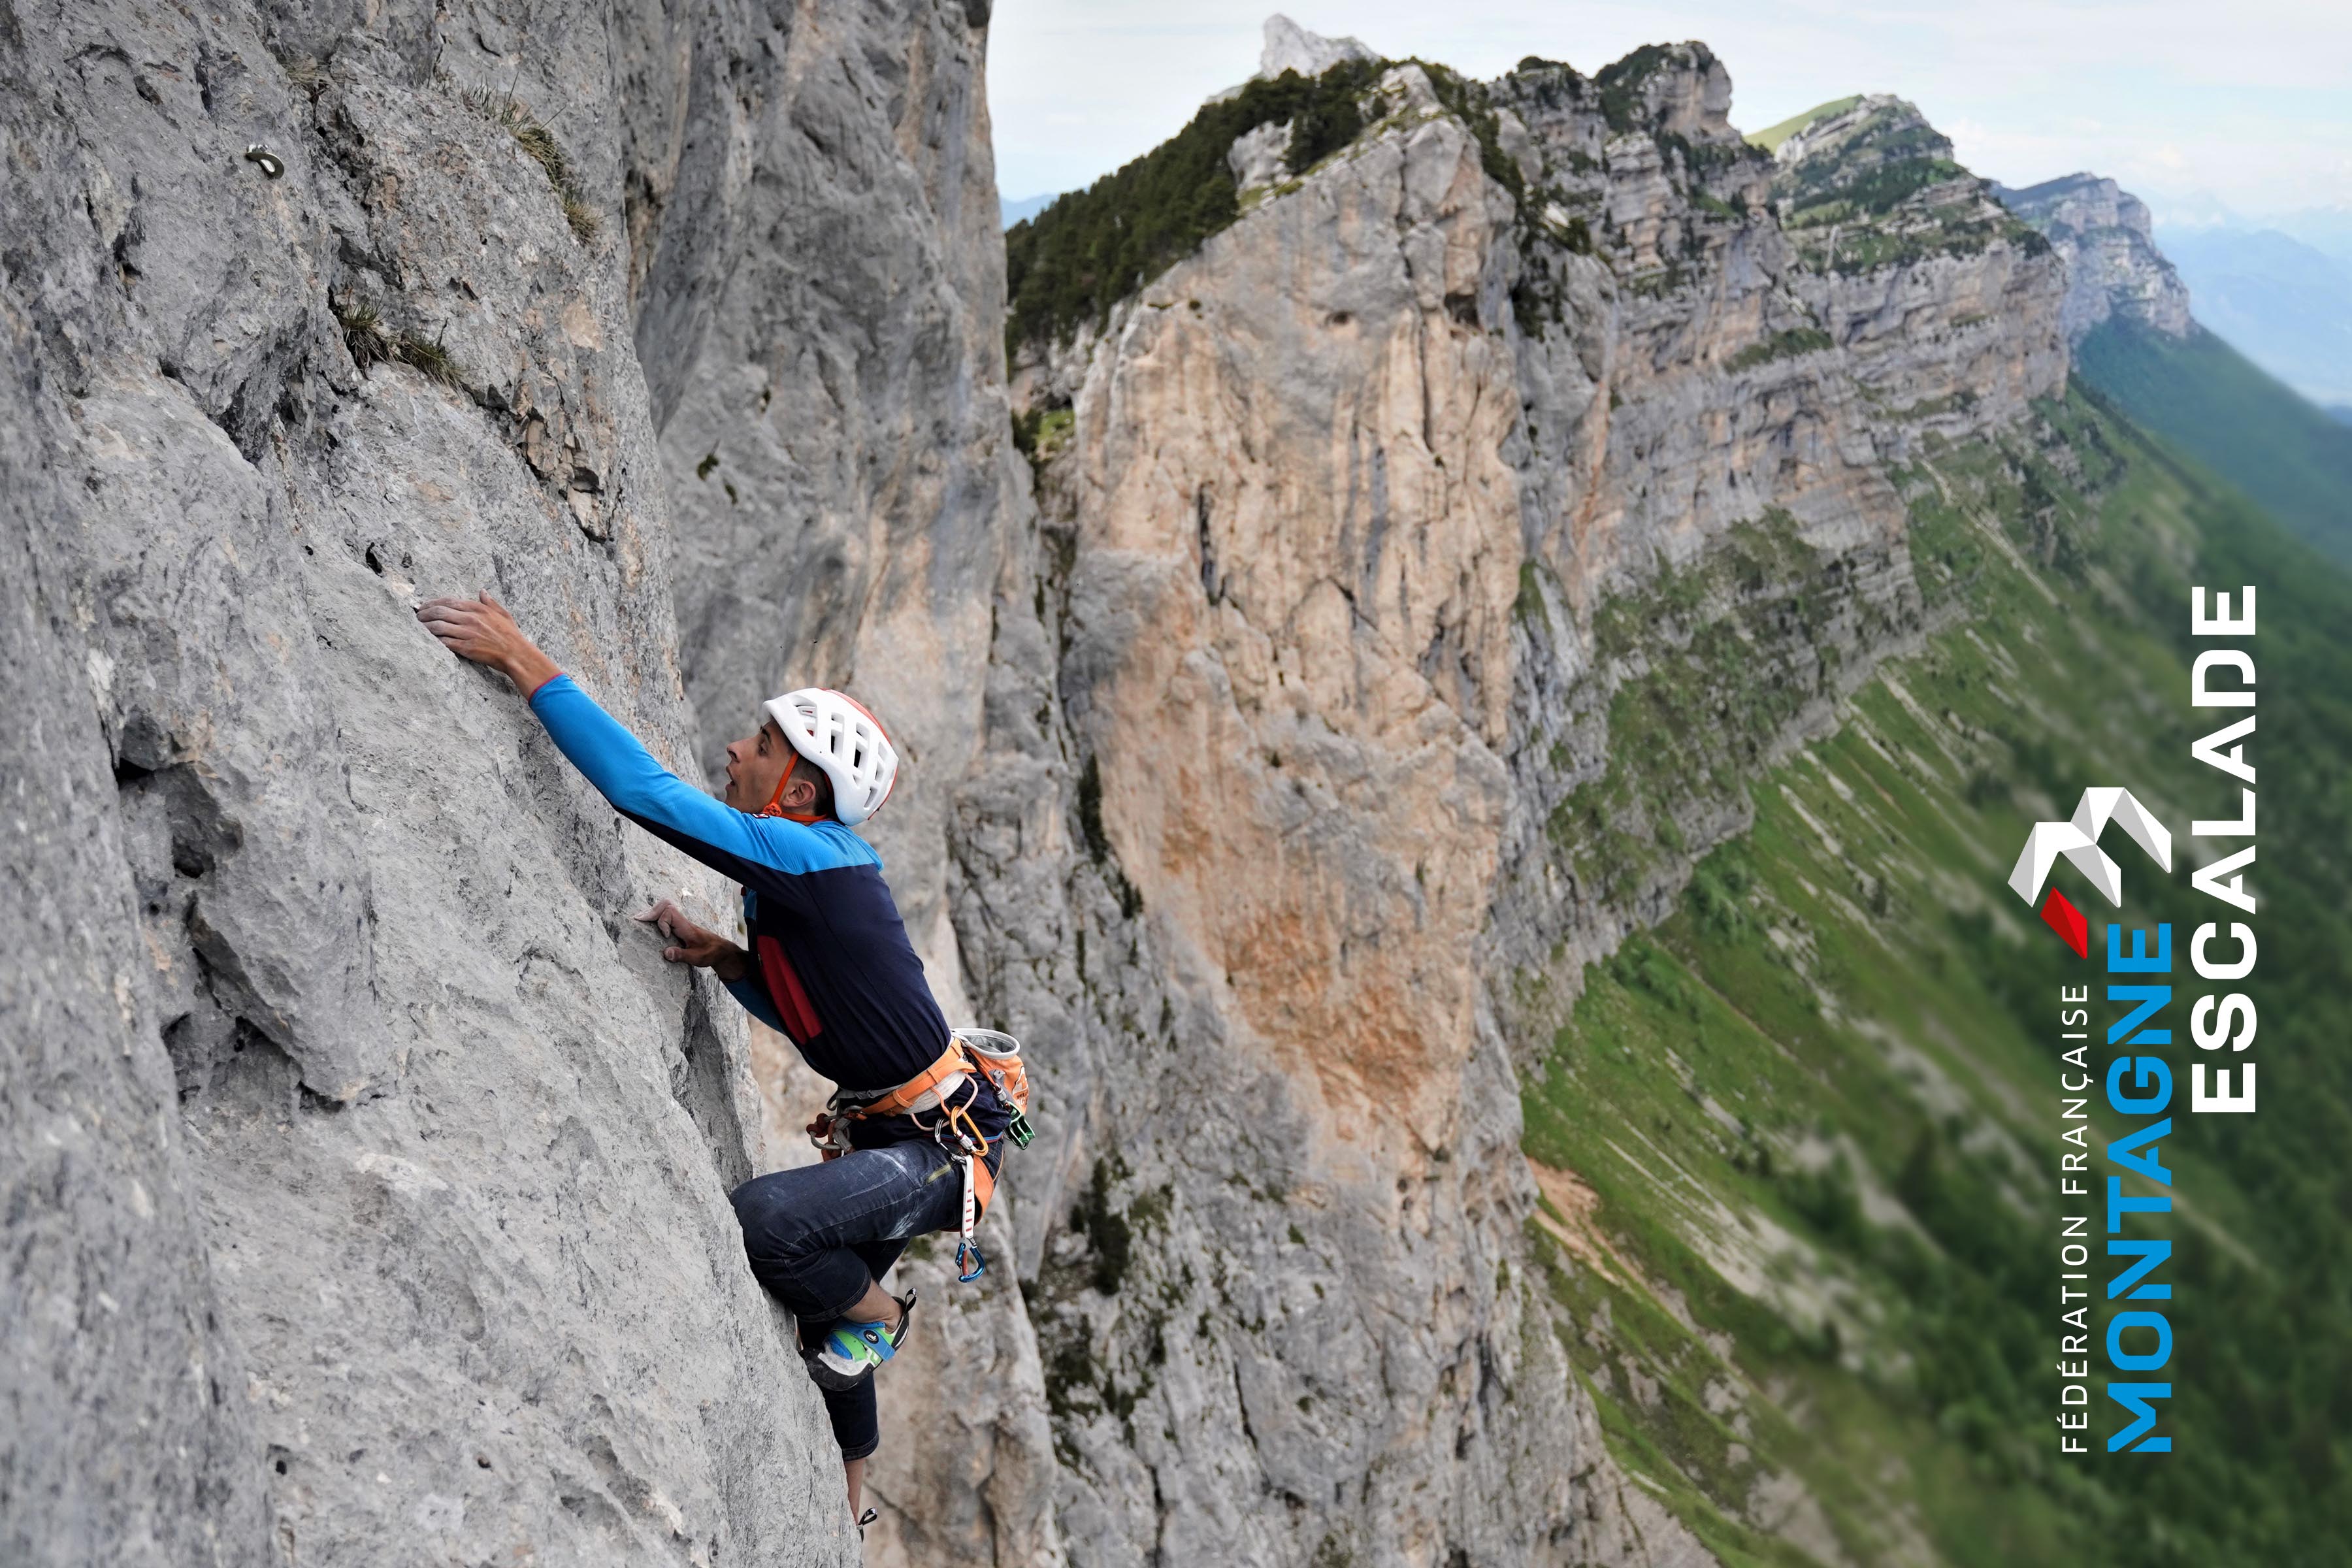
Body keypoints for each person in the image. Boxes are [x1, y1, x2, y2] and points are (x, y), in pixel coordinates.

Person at [416, 591, 1011, 1529]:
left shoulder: (808, 860)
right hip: (912, 1131)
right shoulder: (813, 875)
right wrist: (729, 959)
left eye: (761, 747)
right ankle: (850, 1495)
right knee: (828, 1319)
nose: (737, 751)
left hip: (940, 1152)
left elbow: (645, 794)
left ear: (799, 793)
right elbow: (827, 1023)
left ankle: (886, 1320)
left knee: (772, 1226)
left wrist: (524, 662)